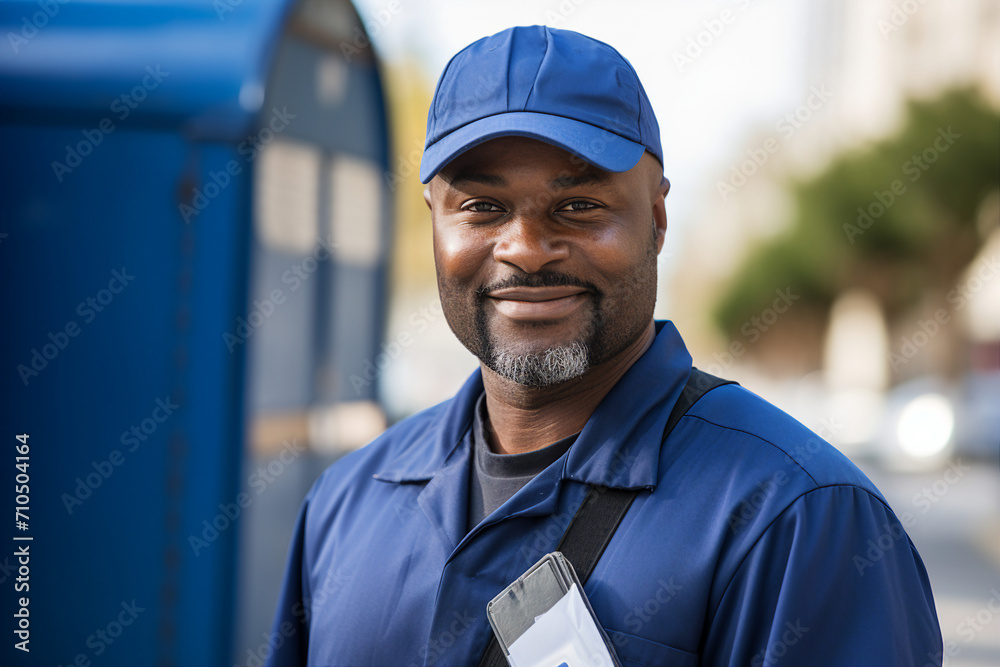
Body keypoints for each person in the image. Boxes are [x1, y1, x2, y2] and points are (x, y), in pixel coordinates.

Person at [266, 25, 943, 667]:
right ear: (435, 223)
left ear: (655, 219)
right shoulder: (346, 500)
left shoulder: (797, 518)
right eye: (482, 207)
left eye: (579, 206)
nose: (526, 249)